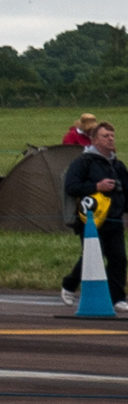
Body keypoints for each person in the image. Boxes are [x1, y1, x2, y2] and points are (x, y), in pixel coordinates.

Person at [58, 122, 125, 305]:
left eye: (112, 135)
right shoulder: (82, 162)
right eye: (105, 136)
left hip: (113, 219)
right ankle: (69, 286)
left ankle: (117, 298)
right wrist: (97, 186)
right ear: (94, 140)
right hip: (90, 220)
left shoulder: (117, 165)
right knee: (92, 256)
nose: (110, 139)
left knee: (119, 259)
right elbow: (71, 187)